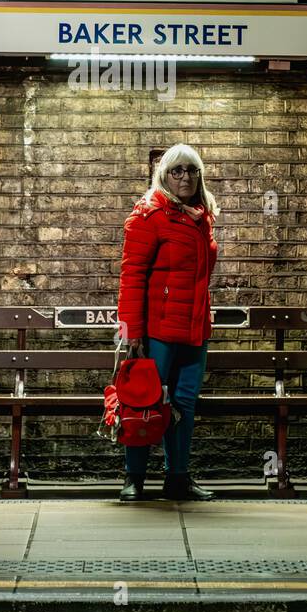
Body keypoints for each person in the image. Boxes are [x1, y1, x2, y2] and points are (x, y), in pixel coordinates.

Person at [114, 143, 219, 503]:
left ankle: (178, 479)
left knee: (184, 405)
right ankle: (134, 478)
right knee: (144, 403)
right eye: (178, 171)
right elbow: (132, 277)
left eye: (192, 170)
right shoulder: (149, 216)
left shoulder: (201, 217)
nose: (185, 177)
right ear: (164, 176)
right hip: (157, 332)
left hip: (194, 330)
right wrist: (131, 333)